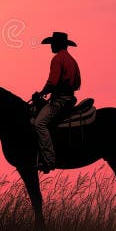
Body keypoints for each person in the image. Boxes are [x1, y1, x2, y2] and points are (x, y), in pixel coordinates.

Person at [32, 31, 81, 173]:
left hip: (60, 99)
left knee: (39, 123)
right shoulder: (71, 60)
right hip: (69, 97)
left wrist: (40, 94)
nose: (50, 46)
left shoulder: (57, 59)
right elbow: (77, 83)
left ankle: (49, 160)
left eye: (52, 44)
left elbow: (52, 83)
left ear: (58, 44)